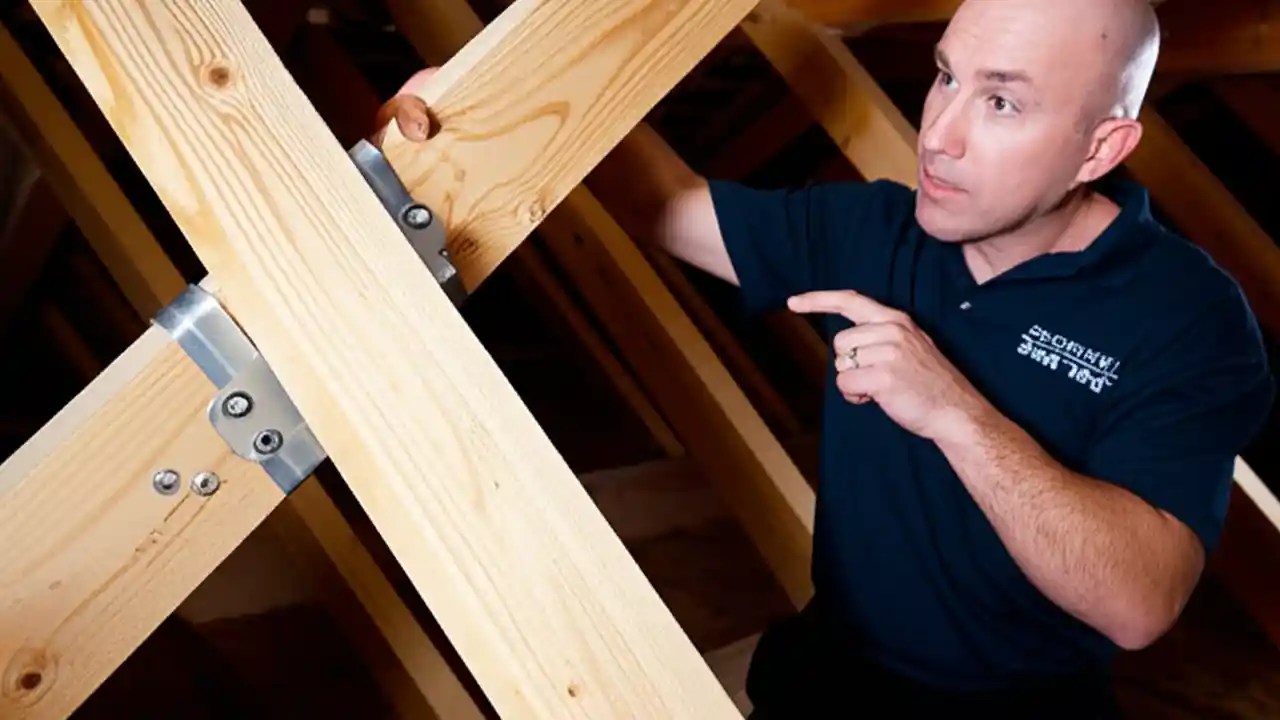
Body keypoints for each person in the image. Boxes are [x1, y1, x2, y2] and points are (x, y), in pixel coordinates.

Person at [373, 0, 1275, 716]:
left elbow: (1140, 601)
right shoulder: (874, 225)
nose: (940, 136)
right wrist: (500, 102)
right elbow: (671, 206)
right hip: (826, 674)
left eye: (1001, 102)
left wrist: (953, 411)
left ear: (1101, 147)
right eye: (944, 79)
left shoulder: (1186, 316)